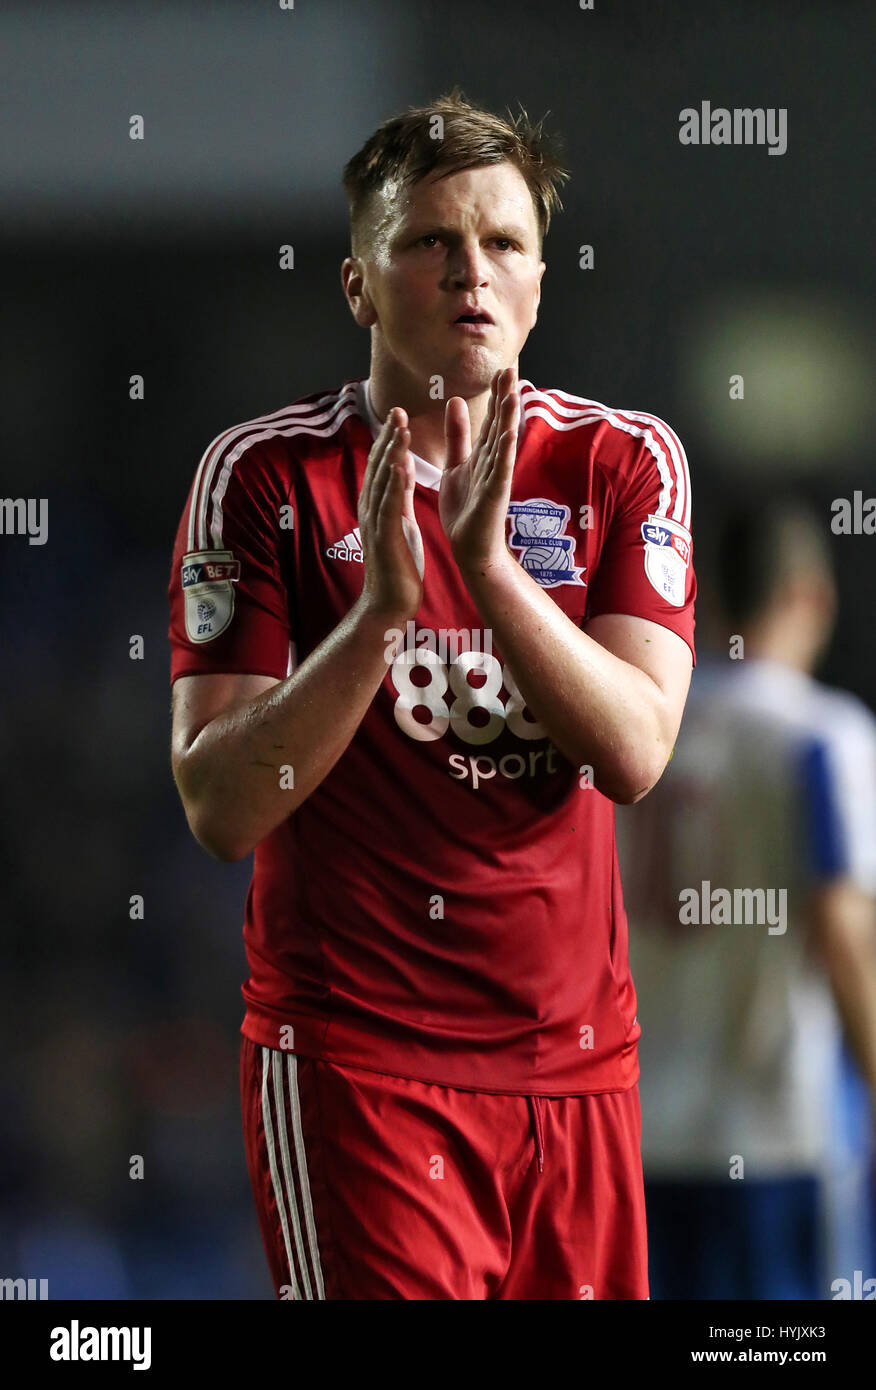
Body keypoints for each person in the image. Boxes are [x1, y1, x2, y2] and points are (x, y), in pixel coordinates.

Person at [167, 89, 695, 1300]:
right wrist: (376, 621)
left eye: (504, 243)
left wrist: (493, 575)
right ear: (358, 284)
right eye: (431, 242)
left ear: (542, 280)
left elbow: (635, 750)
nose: (473, 273)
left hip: (577, 1077)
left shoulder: (622, 462)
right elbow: (219, 807)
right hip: (362, 1070)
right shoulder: (268, 479)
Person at [616, 497, 876, 1299]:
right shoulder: (821, 736)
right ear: (811, 597)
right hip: (774, 1136)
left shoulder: (631, 730)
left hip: (639, 1133)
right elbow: (843, 933)